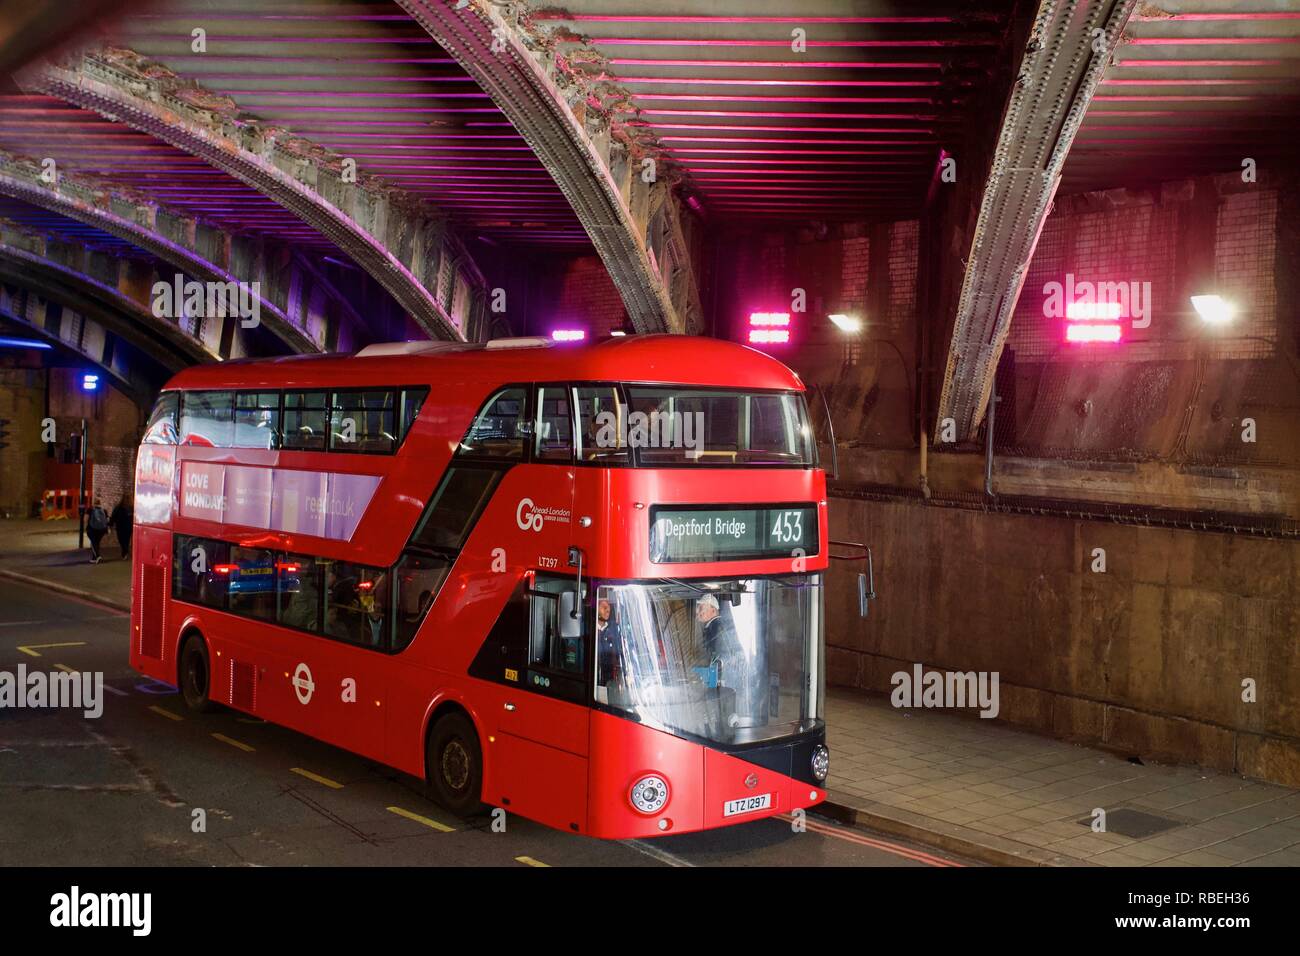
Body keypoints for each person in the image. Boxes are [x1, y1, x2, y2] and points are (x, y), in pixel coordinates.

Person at [109, 495, 133, 560]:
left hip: (120, 527)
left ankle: (124, 553)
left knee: (122, 540)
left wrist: (110, 524)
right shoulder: (131, 508)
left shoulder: (118, 507)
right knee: (126, 541)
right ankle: (125, 552)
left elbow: (113, 516)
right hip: (128, 527)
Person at [86, 497, 109, 564]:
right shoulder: (104, 510)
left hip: (92, 529)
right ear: (100, 503)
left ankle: (98, 556)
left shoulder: (90, 509)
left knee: (93, 543)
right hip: (102, 530)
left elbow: (85, 519)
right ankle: (94, 558)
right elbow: (107, 520)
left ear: (93, 502)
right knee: (97, 543)